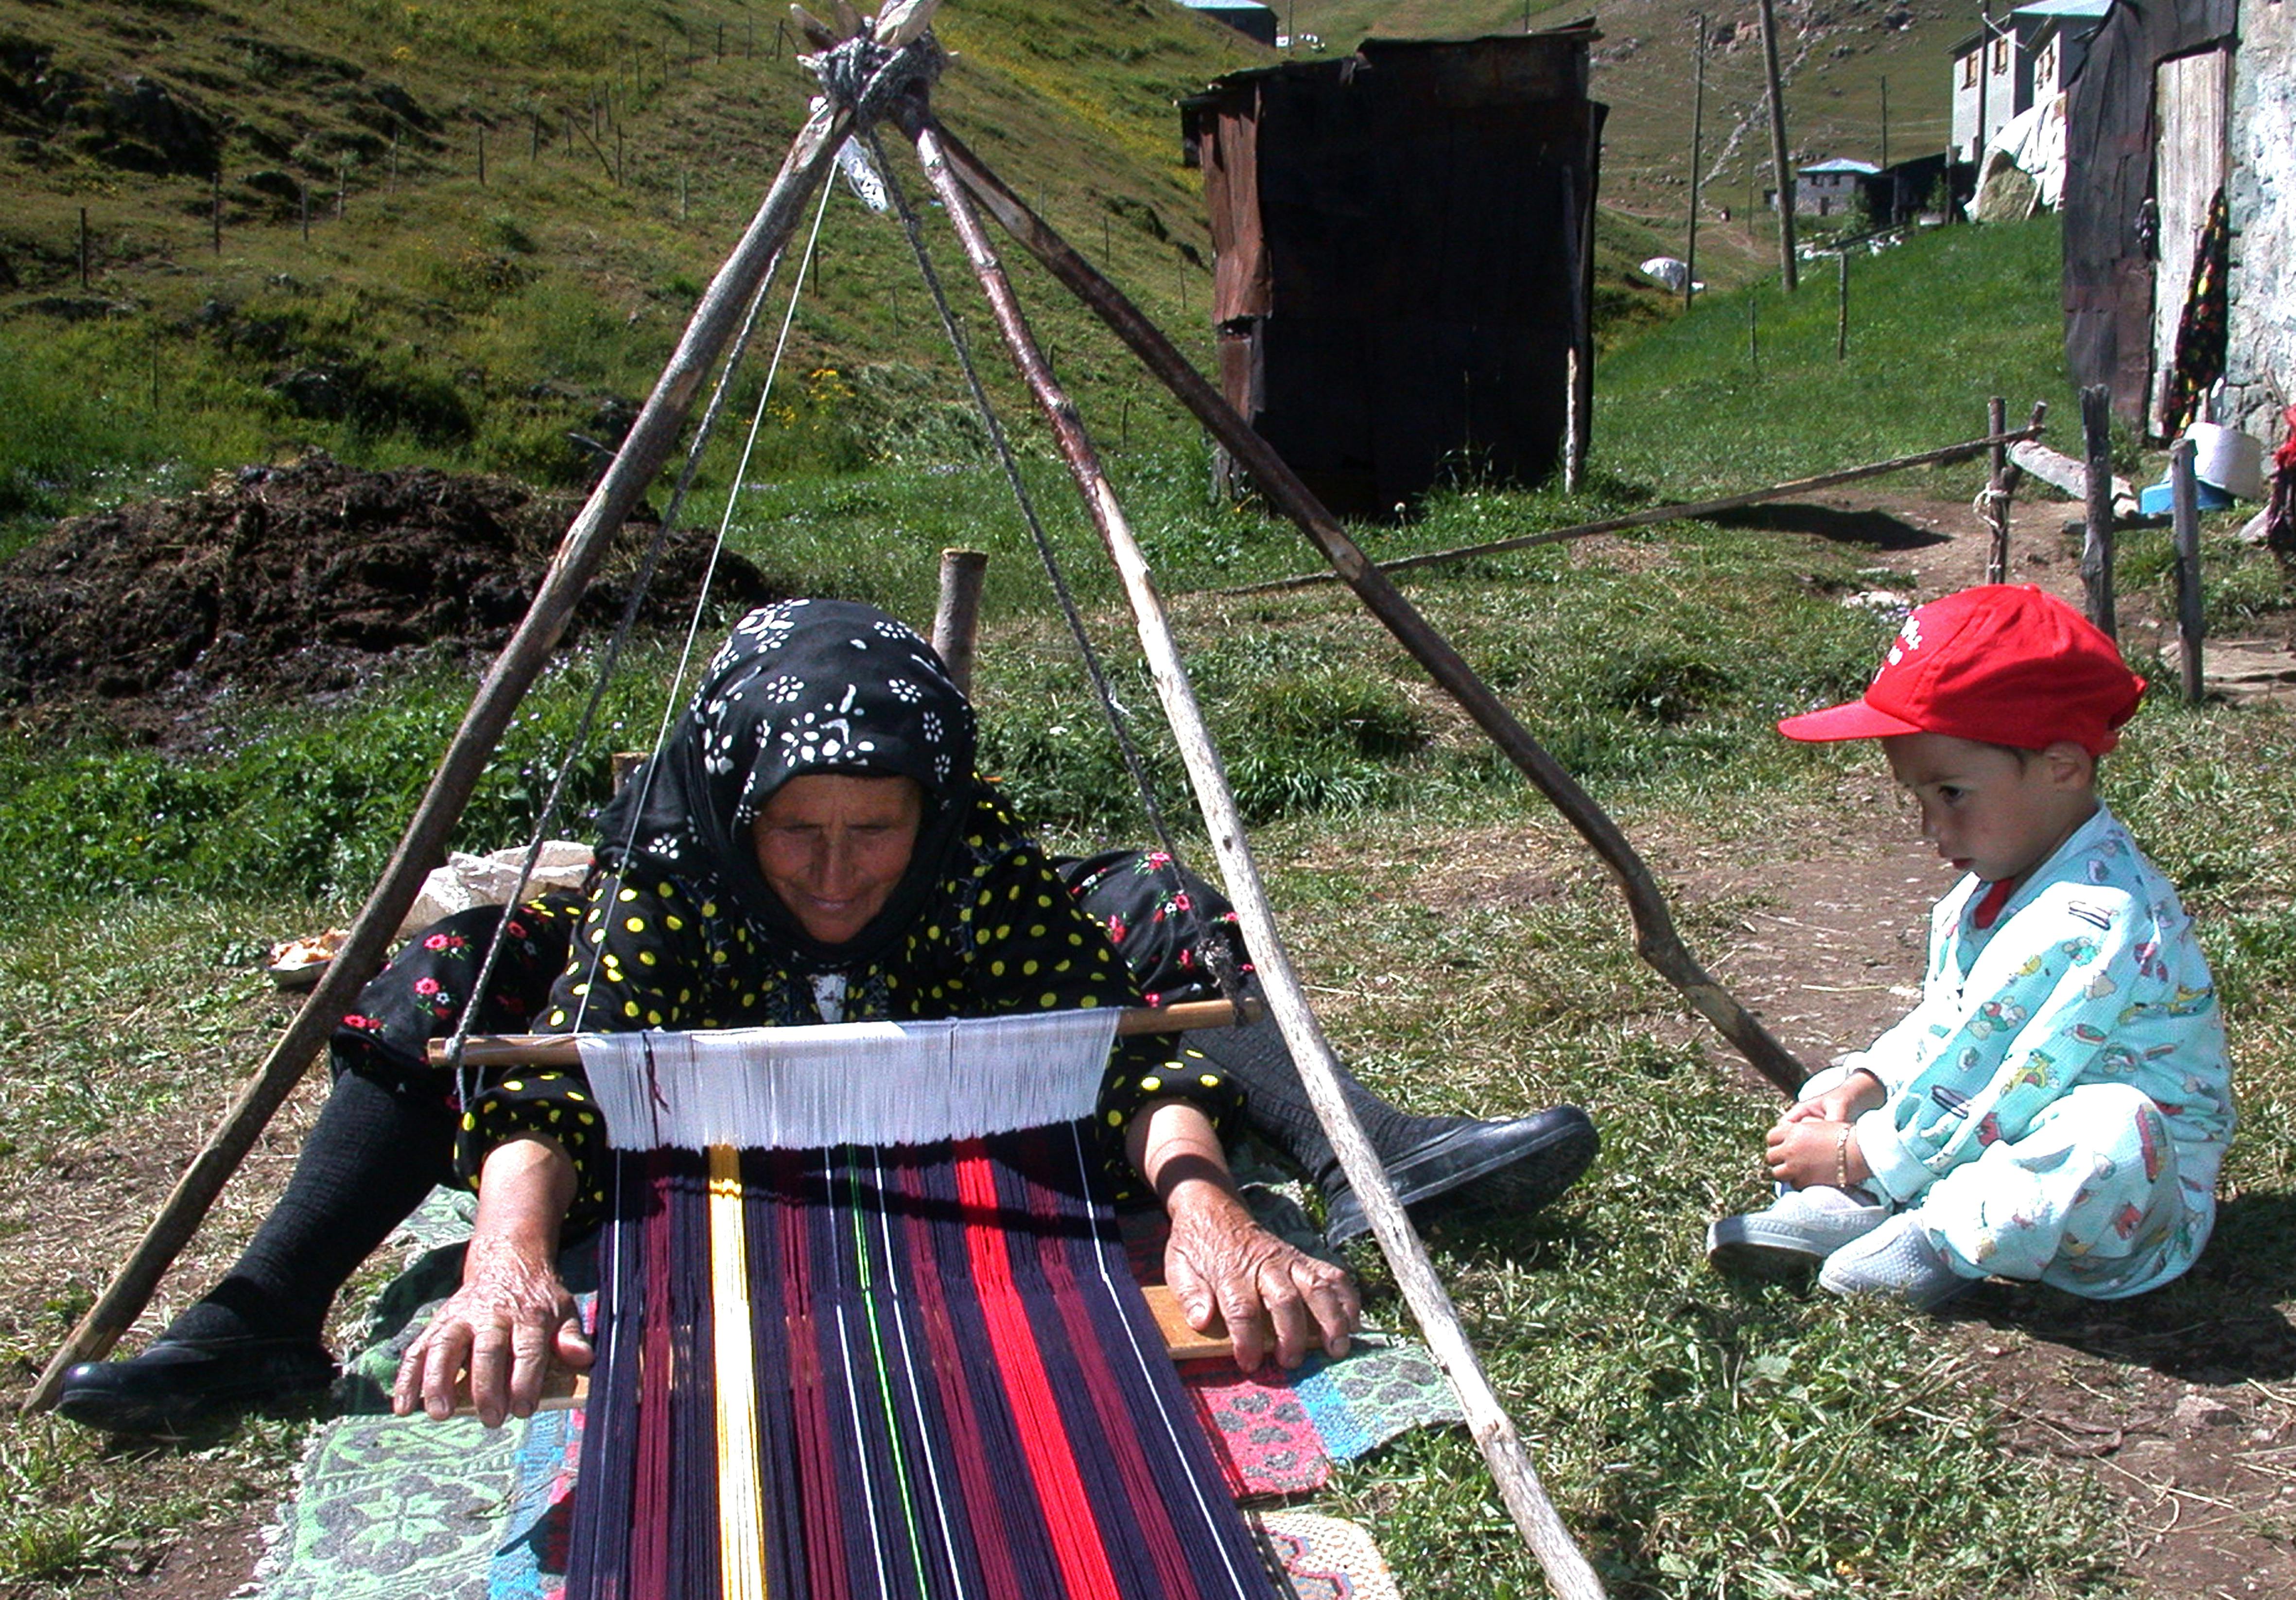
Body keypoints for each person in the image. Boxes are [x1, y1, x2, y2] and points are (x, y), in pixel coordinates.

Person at [59, 599, 1595, 1434]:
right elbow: (569, 1079)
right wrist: (512, 1261)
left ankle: (1365, 1157)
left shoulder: (968, 846)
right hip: (710, 1027)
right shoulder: (674, 851)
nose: (842, 873)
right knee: (471, 958)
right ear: (740, 810)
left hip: (936, 1020)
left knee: (1152, 902)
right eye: (801, 835)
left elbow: (1117, 1039)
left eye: (880, 832)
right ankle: (261, 1316)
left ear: (930, 806)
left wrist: (1204, 1207)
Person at [1706, 585, 2234, 1310]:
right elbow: (1948, 1024)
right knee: (1834, 1085)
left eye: (1952, 794)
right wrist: (1865, 1086)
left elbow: (1994, 1076)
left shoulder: (2094, 917)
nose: (1931, 829)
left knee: (2106, 1131)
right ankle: (1860, 1207)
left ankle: (1933, 1239)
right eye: (1918, 799)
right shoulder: (1994, 885)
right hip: (1988, 1116)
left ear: (2062, 767)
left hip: (2125, 1210)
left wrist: (1858, 1151)